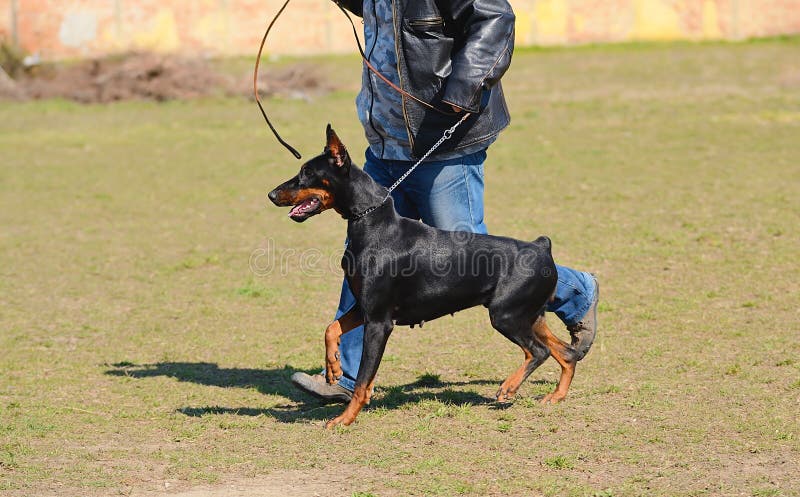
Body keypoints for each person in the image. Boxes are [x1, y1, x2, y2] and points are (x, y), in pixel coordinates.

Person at [290, 0, 598, 402]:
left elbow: (495, 16)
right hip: (386, 142)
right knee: (365, 258)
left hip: (444, 136)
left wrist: (466, 83)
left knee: (471, 250)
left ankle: (575, 290)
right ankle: (347, 378)